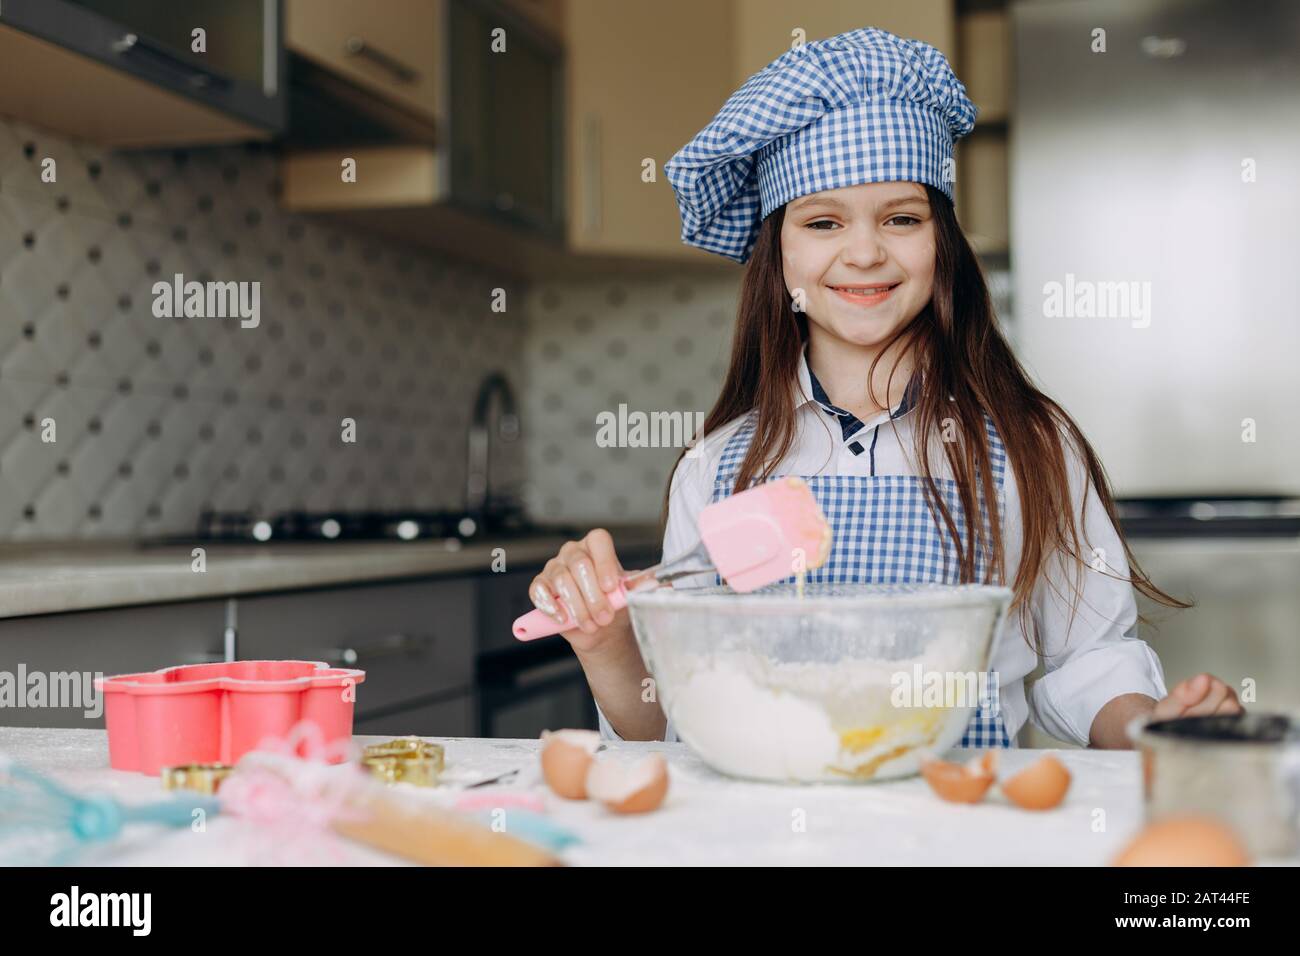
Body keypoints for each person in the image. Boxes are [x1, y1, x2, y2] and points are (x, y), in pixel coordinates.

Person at [528, 27, 1242, 748]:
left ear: (944, 244)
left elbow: (1089, 657)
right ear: (779, 255)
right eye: (823, 221)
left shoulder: (1032, 445)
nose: (865, 251)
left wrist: (1151, 726)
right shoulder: (716, 468)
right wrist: (607, 643)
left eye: (902, 218)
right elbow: (670, 725)